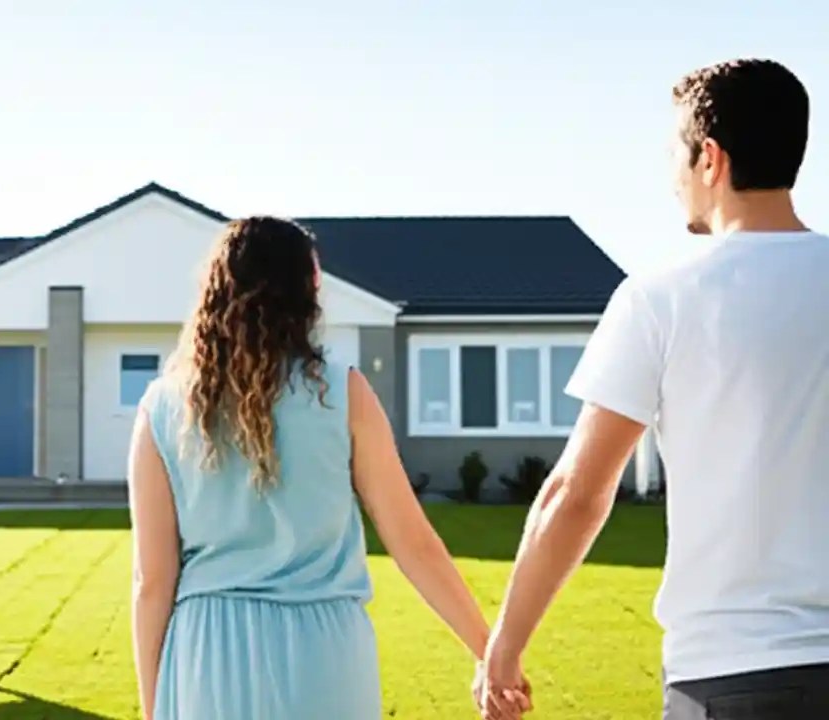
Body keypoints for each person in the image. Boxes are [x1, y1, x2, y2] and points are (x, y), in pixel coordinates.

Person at [477, 58, 829, 719]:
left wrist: (505, 645)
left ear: (711, 160)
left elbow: (577, 493)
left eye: (676, 152)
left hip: (729, 677)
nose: (671, 178)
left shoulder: (660, 298)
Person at [126, 216, 530, 720]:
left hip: (207, 654)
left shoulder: (161, 409)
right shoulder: (346, 395)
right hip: (326, 655)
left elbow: (151, 581)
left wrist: (152, 707)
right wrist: (489, 653)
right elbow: (414, 543)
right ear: (307, 292)